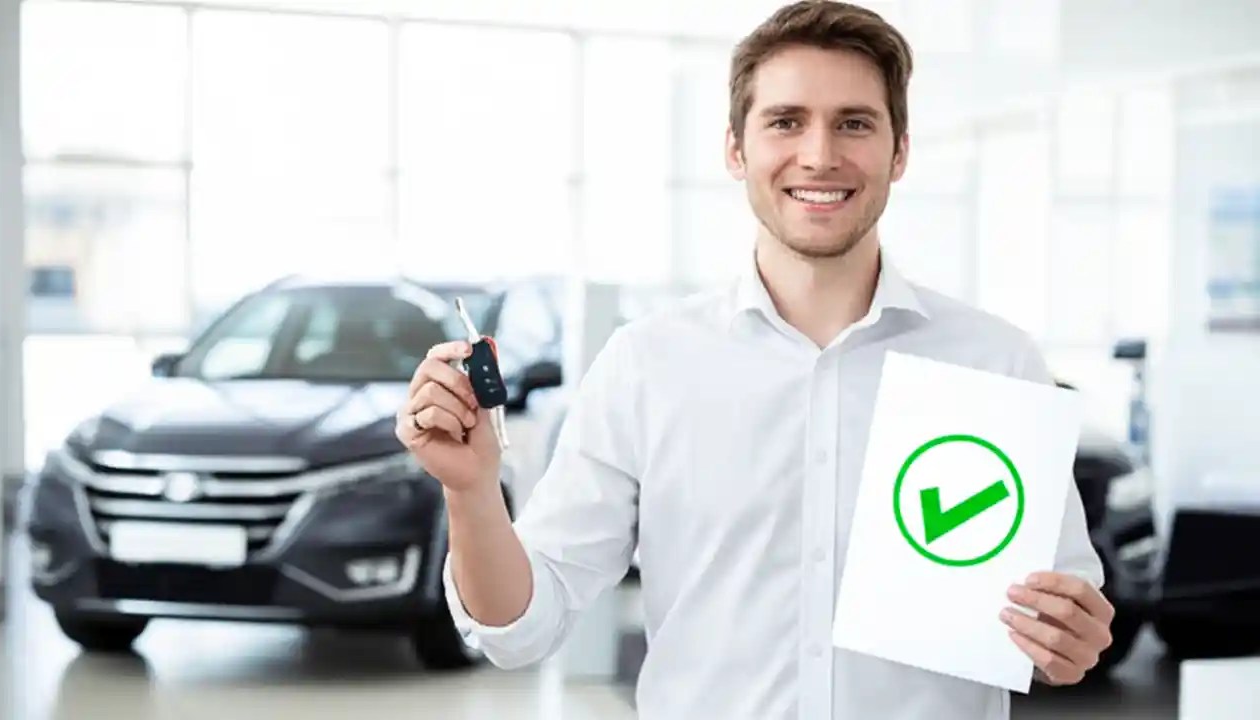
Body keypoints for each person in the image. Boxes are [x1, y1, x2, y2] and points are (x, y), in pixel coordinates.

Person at [396, 1, 1114, 718]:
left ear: (899, 152)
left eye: (855, 123)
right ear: (736, 149)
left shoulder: (994, 361)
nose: (820, 154)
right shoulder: (649, 365)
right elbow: (521, 629)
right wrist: (471, 492)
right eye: (786, 121)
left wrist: (1068, 641)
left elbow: (1058, 625)